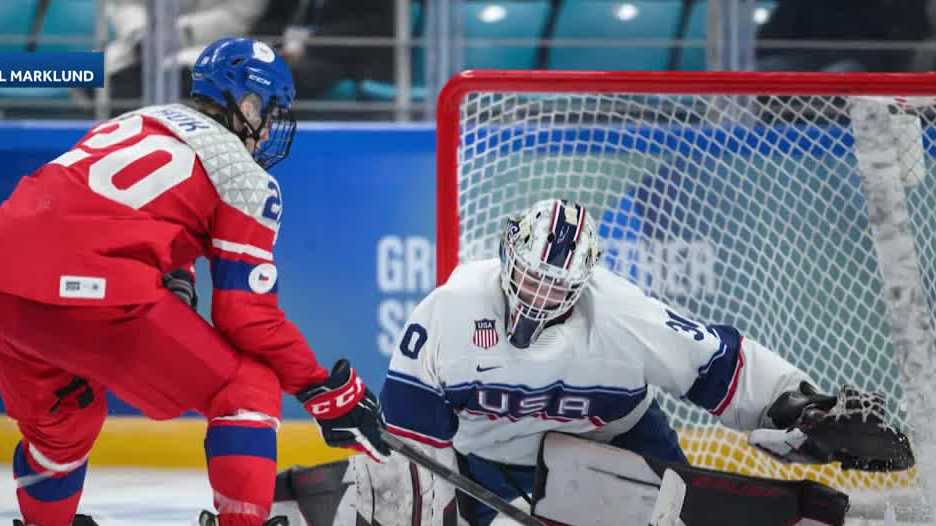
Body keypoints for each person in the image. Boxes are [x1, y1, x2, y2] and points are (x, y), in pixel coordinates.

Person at [270, 198, 905, 526]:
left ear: (584, 283)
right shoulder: (451, 309)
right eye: (531, 277)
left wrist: (796, 406)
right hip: (482, 457)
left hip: (610, 446)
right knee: (387, 500)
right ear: (507, 255)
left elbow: (719, 365)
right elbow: (414, 440)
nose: (540, 295)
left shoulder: (623, 314)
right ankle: (282, 504)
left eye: (557, 286)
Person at [0, 37, 388, 526]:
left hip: (6, 287)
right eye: (266, 112)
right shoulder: (243, 177)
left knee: (63, 425)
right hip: (93, 291)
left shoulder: (139, 119)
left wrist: (176, 273)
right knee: (248, 387)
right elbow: (246, 316)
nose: (268, 130)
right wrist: (323, 390)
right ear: (246, 103)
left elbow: (107, 209)